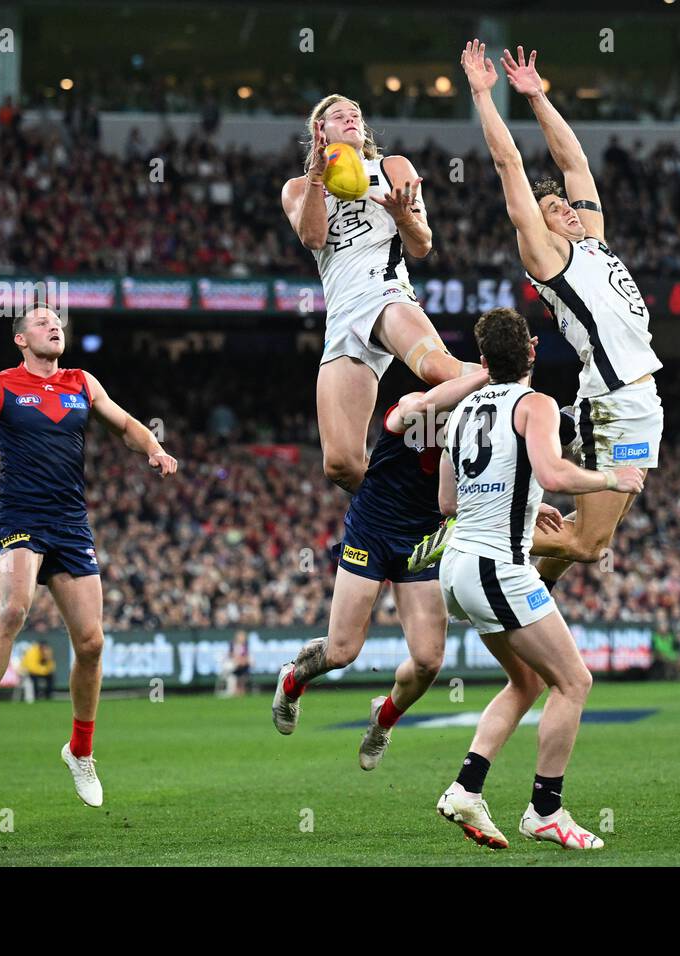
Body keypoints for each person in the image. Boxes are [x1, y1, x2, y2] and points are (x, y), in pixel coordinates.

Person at [0, 306, 178, 808]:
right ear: (20, 338)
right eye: (44, 323)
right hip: (20, 519)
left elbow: (127, 424)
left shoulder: (82, 382)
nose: (56, 328)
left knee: (91, 643)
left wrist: (153, 448)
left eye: (60, 324)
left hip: (71, 525)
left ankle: (80, 752)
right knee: (14, 607)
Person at [413, 43, 662, 591]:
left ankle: (531, 597)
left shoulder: (591, 241)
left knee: (589, 539)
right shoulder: (551, 260)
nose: (568, 209)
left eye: (566, 205)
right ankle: (462, 533)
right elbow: (510, 165)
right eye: (554, 210)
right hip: (614, 403)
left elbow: (574, 162)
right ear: (541, 228)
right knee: (587, 544)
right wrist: (485, 95)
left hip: (640, 401)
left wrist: (536, 97)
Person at [433, 307, 644, 850]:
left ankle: (467, 788)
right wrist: (609, 476)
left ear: (481, 361)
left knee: (526, 682)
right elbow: (551, 470)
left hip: (456, 567)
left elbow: (448, 502)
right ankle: (545, 809)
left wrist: (528, 506)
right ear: (532, 351)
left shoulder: (458, 412)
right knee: (574, 682)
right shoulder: (537, 404)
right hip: (496, 565)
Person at [272, 369, 494, 771]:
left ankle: (383, 719)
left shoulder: (478, 427)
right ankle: (292, 681)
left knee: (428, 661)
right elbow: (426, 405)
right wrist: (484, 375)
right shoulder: (414, 406)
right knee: (341, 652)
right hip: (371, 532)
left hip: (420, 541)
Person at [279, 94, 479, 496]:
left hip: (385, 292)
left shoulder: (392, 167)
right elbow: (313, 237)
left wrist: (404, 216)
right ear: (320, 132)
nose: (350, 117)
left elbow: (422, 244)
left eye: (355, 113)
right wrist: (319, 177)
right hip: (342, 318)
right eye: (338, 115)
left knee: (438, 370)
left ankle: (514, 386)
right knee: (342, 464)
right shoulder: (298, 188)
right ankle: (411, 510)